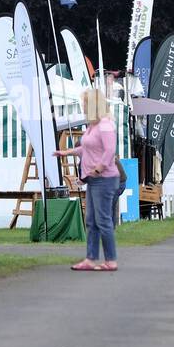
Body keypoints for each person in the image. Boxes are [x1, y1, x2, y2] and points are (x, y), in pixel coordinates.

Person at [54, 87, 120, 271]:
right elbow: (86, 148)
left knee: (103, 220)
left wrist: (99, 168)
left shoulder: (106, 125)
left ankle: (110, 260)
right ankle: (91, 258)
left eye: (84, 103)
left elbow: (109, 150)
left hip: (104, 178)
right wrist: (65, 152)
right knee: (91, 220)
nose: (82, 106)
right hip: (93, 179)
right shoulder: (93, 126)